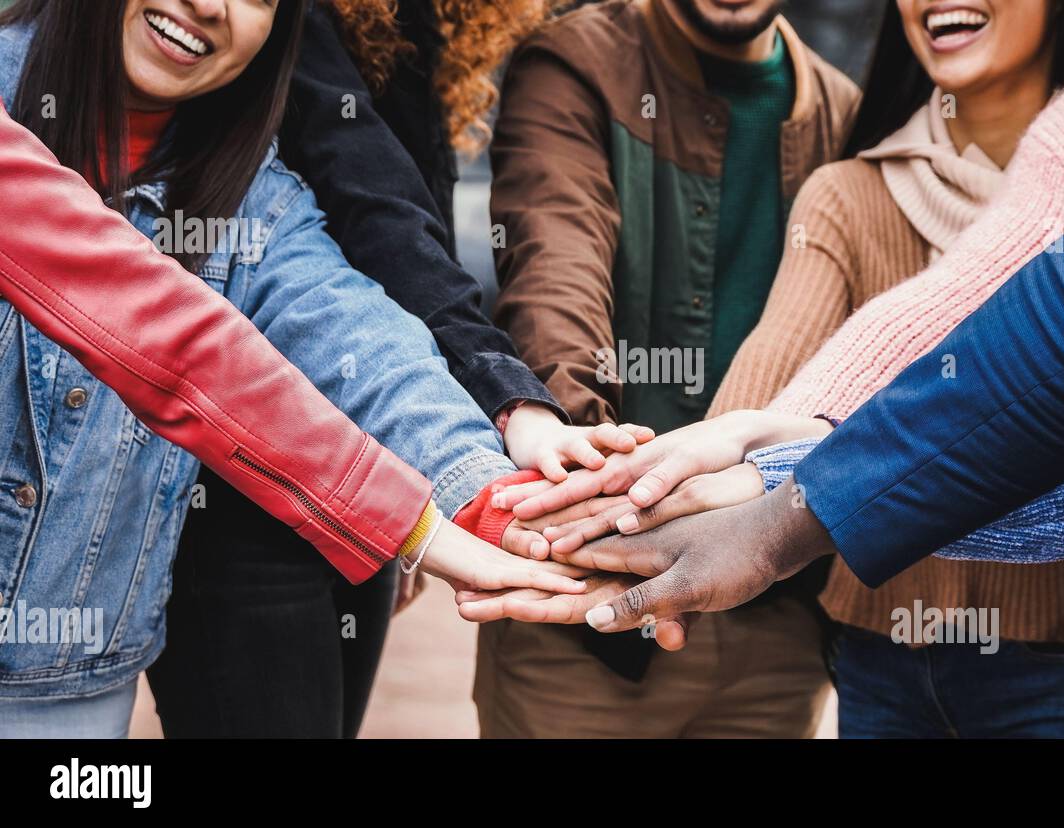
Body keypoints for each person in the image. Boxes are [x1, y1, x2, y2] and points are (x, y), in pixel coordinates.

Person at [501, 26, 1064, 738]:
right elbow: (1010, 312)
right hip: (888, 647)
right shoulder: (876, 176)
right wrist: (771, 450)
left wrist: (790, 497)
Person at [0, 0, 582, 739]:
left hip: (74, 697)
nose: (209, 5)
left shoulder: (255, 198)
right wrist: (410, 521)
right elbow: (175, 339)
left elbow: (358, 333)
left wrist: (487, 485)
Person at [144, 0, 646, 739]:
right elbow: (373, 207)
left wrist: (437, 493)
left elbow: (399, 237)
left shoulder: (432, 18)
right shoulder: (288, 18)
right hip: (240, 479)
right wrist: (502, 405)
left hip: (378, 442)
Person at [480, 0, 859, 738]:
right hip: (587, 609)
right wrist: (590, 485)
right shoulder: (578, 62)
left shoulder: (846, 116)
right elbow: (554, 263)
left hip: (779, 618)